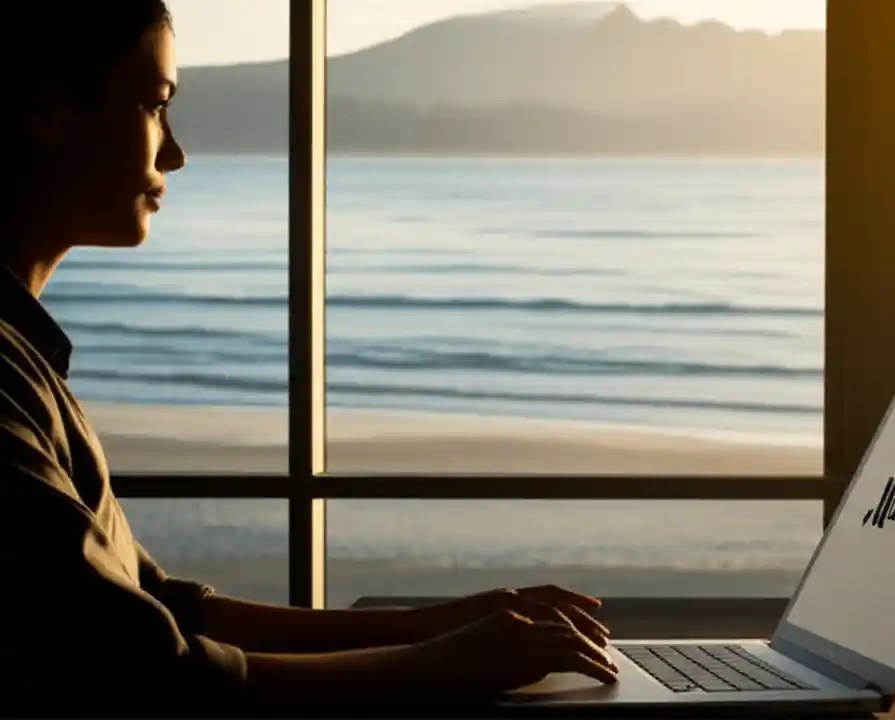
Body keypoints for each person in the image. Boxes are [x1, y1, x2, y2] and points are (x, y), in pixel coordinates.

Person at [0, 2, 617, 714]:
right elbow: (155, 674)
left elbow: (161, 607)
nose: (174, 154)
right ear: (49, 113)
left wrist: (440, 625)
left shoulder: (26, 356)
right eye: (156, 105)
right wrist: (438, 663)